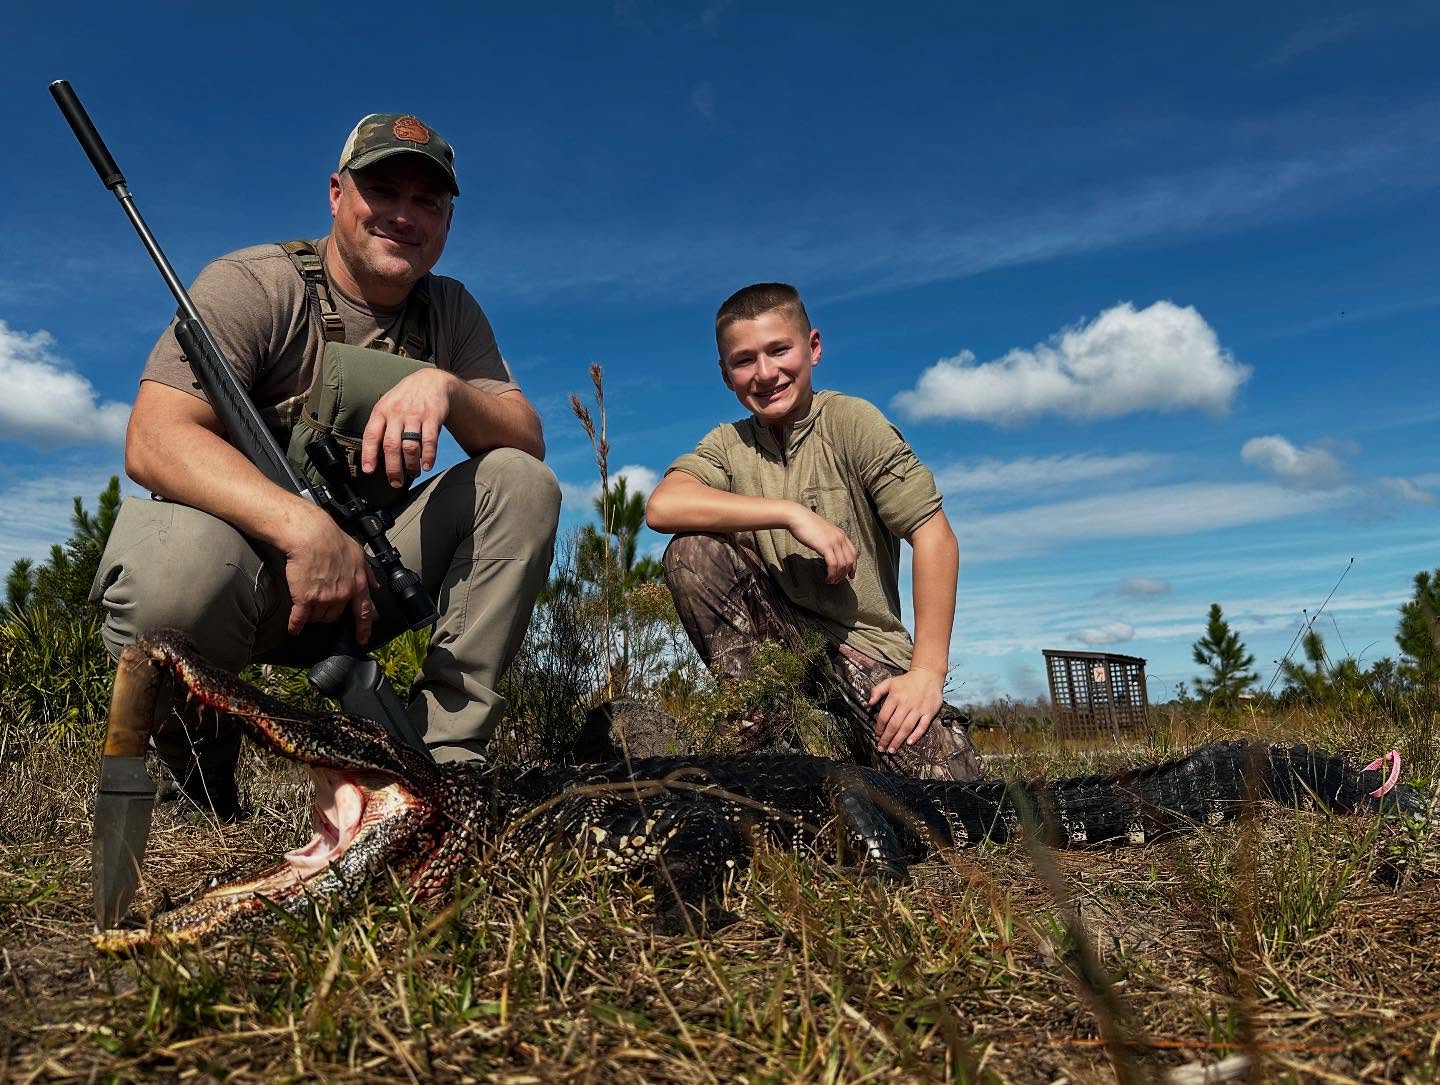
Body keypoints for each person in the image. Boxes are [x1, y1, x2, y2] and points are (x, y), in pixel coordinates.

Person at [92, 113, 561, 816]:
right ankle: (199, 755)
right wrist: (303, 528)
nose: (404, 215)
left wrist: (450, 388)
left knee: (521, 483)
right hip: (244, 573)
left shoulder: (451, 311)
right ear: (337, 194)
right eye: (383, 191)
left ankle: (441, 768)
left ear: (447, 220)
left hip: (367, 582)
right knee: (168, 577)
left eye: (426, 201)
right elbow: (153, 438)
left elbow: (526, 438)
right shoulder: (255, 283)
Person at [645, 282, 982, 781]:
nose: (765, 373)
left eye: (779, 350)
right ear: (725, 375)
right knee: (692, 552)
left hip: (862, 651)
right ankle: (763, 731)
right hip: (777, 655)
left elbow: (935, 536)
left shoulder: (851, 421)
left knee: (957, 796)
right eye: (744, 360)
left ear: (814, 348)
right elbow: (663, 506)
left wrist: (927, 674)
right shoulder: (726, 444)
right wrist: (789, 512)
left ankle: (845, 744)